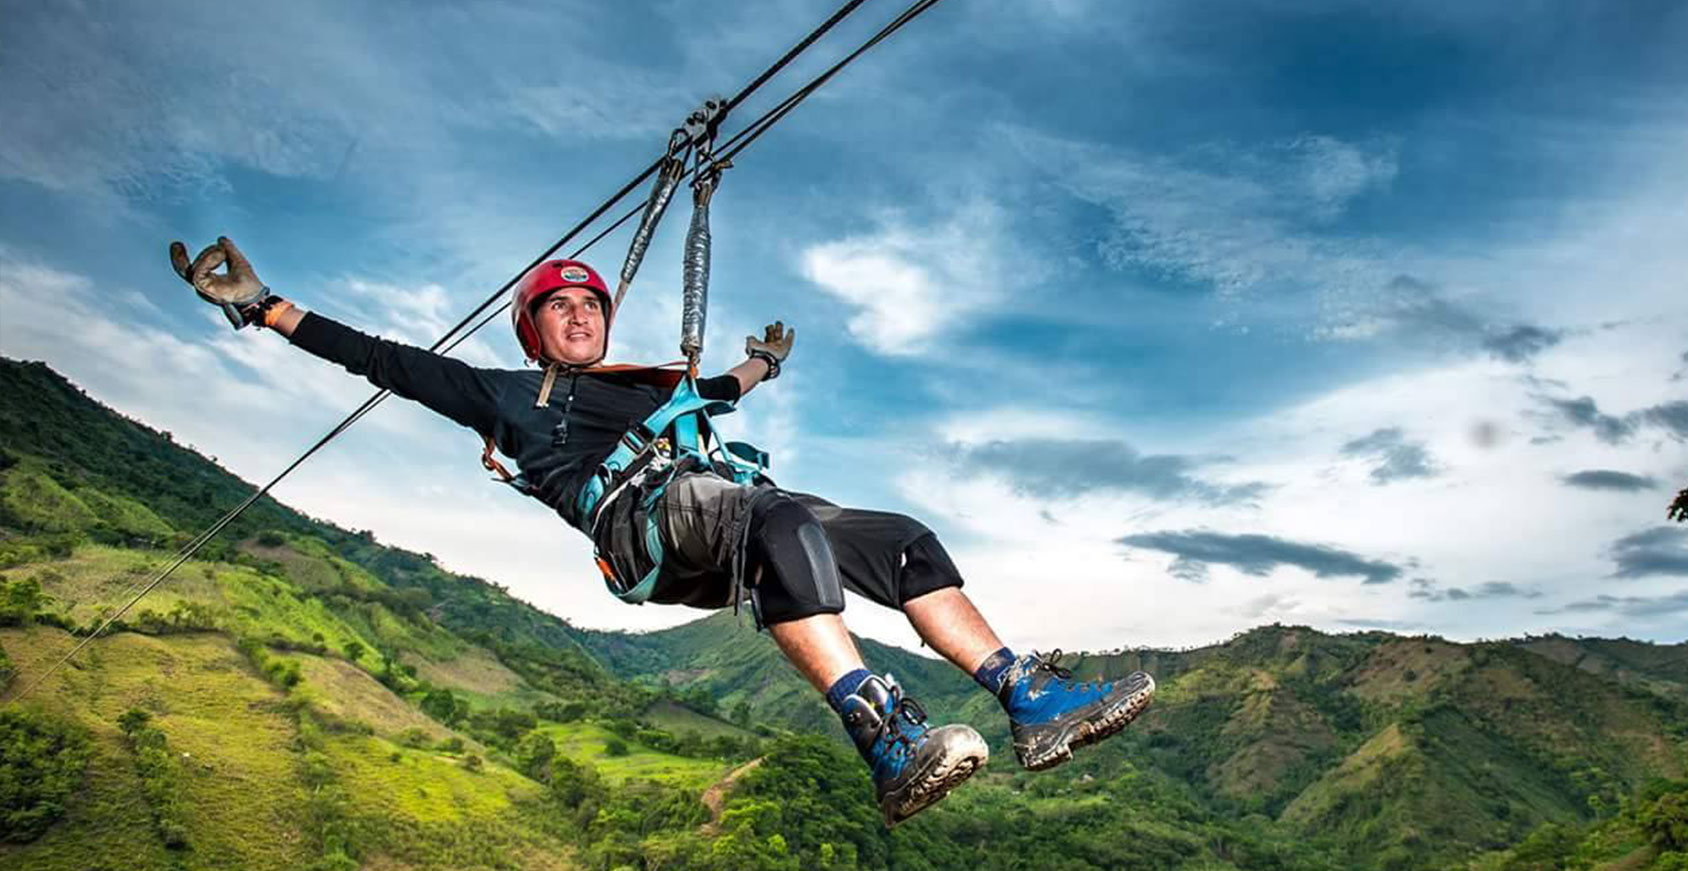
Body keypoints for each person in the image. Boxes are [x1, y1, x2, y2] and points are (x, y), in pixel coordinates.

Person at [168, 237, 1156, 825]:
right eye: (556, 309)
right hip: (647, 527)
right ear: (535, 332)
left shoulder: (651, 386)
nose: (576, 316)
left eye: (585, 305)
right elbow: (386, 360)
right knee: (772, 516)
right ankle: (883, 736)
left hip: (721, 511)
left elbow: (719, 390)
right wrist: (266, 308)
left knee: (898, 538)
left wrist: (759, 367)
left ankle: (1025, 698)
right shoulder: (513, 398)